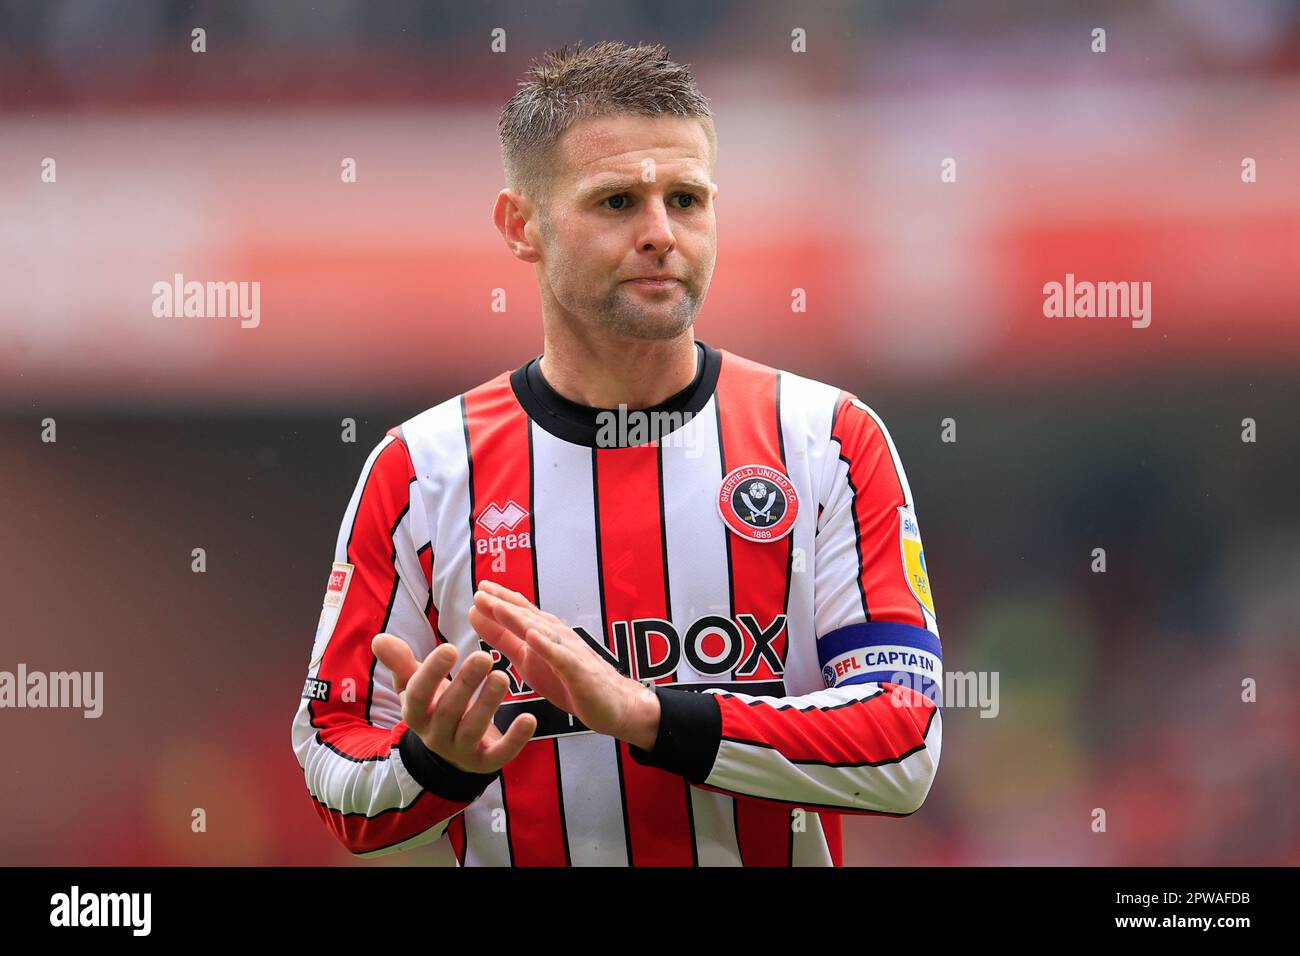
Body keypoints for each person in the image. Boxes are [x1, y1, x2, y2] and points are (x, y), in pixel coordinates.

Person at [290, 40, 942, 866]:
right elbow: (329, 764)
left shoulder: (830, 438)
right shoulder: (420, 468)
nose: (662, 234)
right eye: (616, 202)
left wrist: (647, 716)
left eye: (686, 198)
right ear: (521, 226)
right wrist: (431, 766)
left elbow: (906, 746)